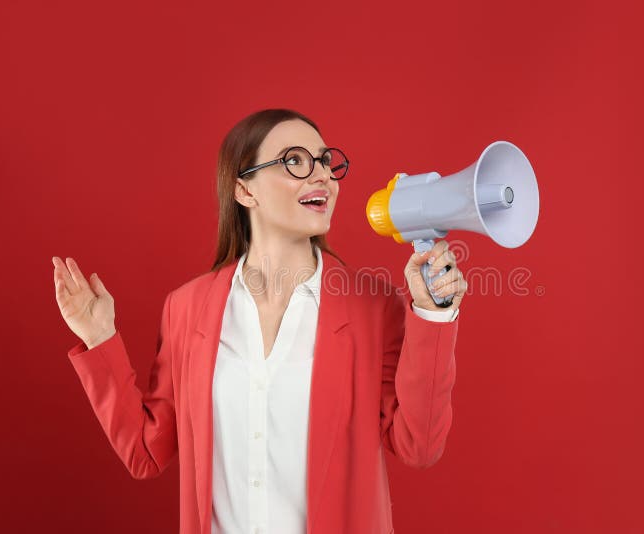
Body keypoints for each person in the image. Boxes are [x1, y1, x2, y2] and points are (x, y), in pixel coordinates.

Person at [52, 108, 467, 534]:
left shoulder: (372, 307)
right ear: (243, 190)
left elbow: (418, 446)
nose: (322, 175)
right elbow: (146, 452)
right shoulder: (186, 308)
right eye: (295, 161)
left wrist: (434, 314)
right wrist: (99, 337)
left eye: (325, 161)